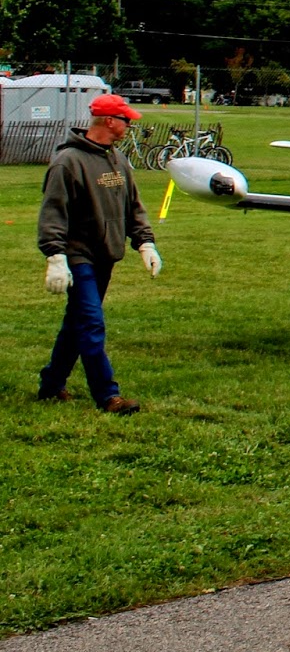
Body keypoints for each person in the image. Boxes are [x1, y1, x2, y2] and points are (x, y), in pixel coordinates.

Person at [36, 93, 162, 414]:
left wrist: (145, 242)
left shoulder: (118, 160)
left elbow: (133, 206)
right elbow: (53, 213)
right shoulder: (68, 162)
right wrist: (55, 257)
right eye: (125, 120)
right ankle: (108, 396)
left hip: (106, 255)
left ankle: (51, 384)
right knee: (92, 324)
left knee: (76, 323)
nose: (129, 125)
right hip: (78, 257)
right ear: (109, 121)